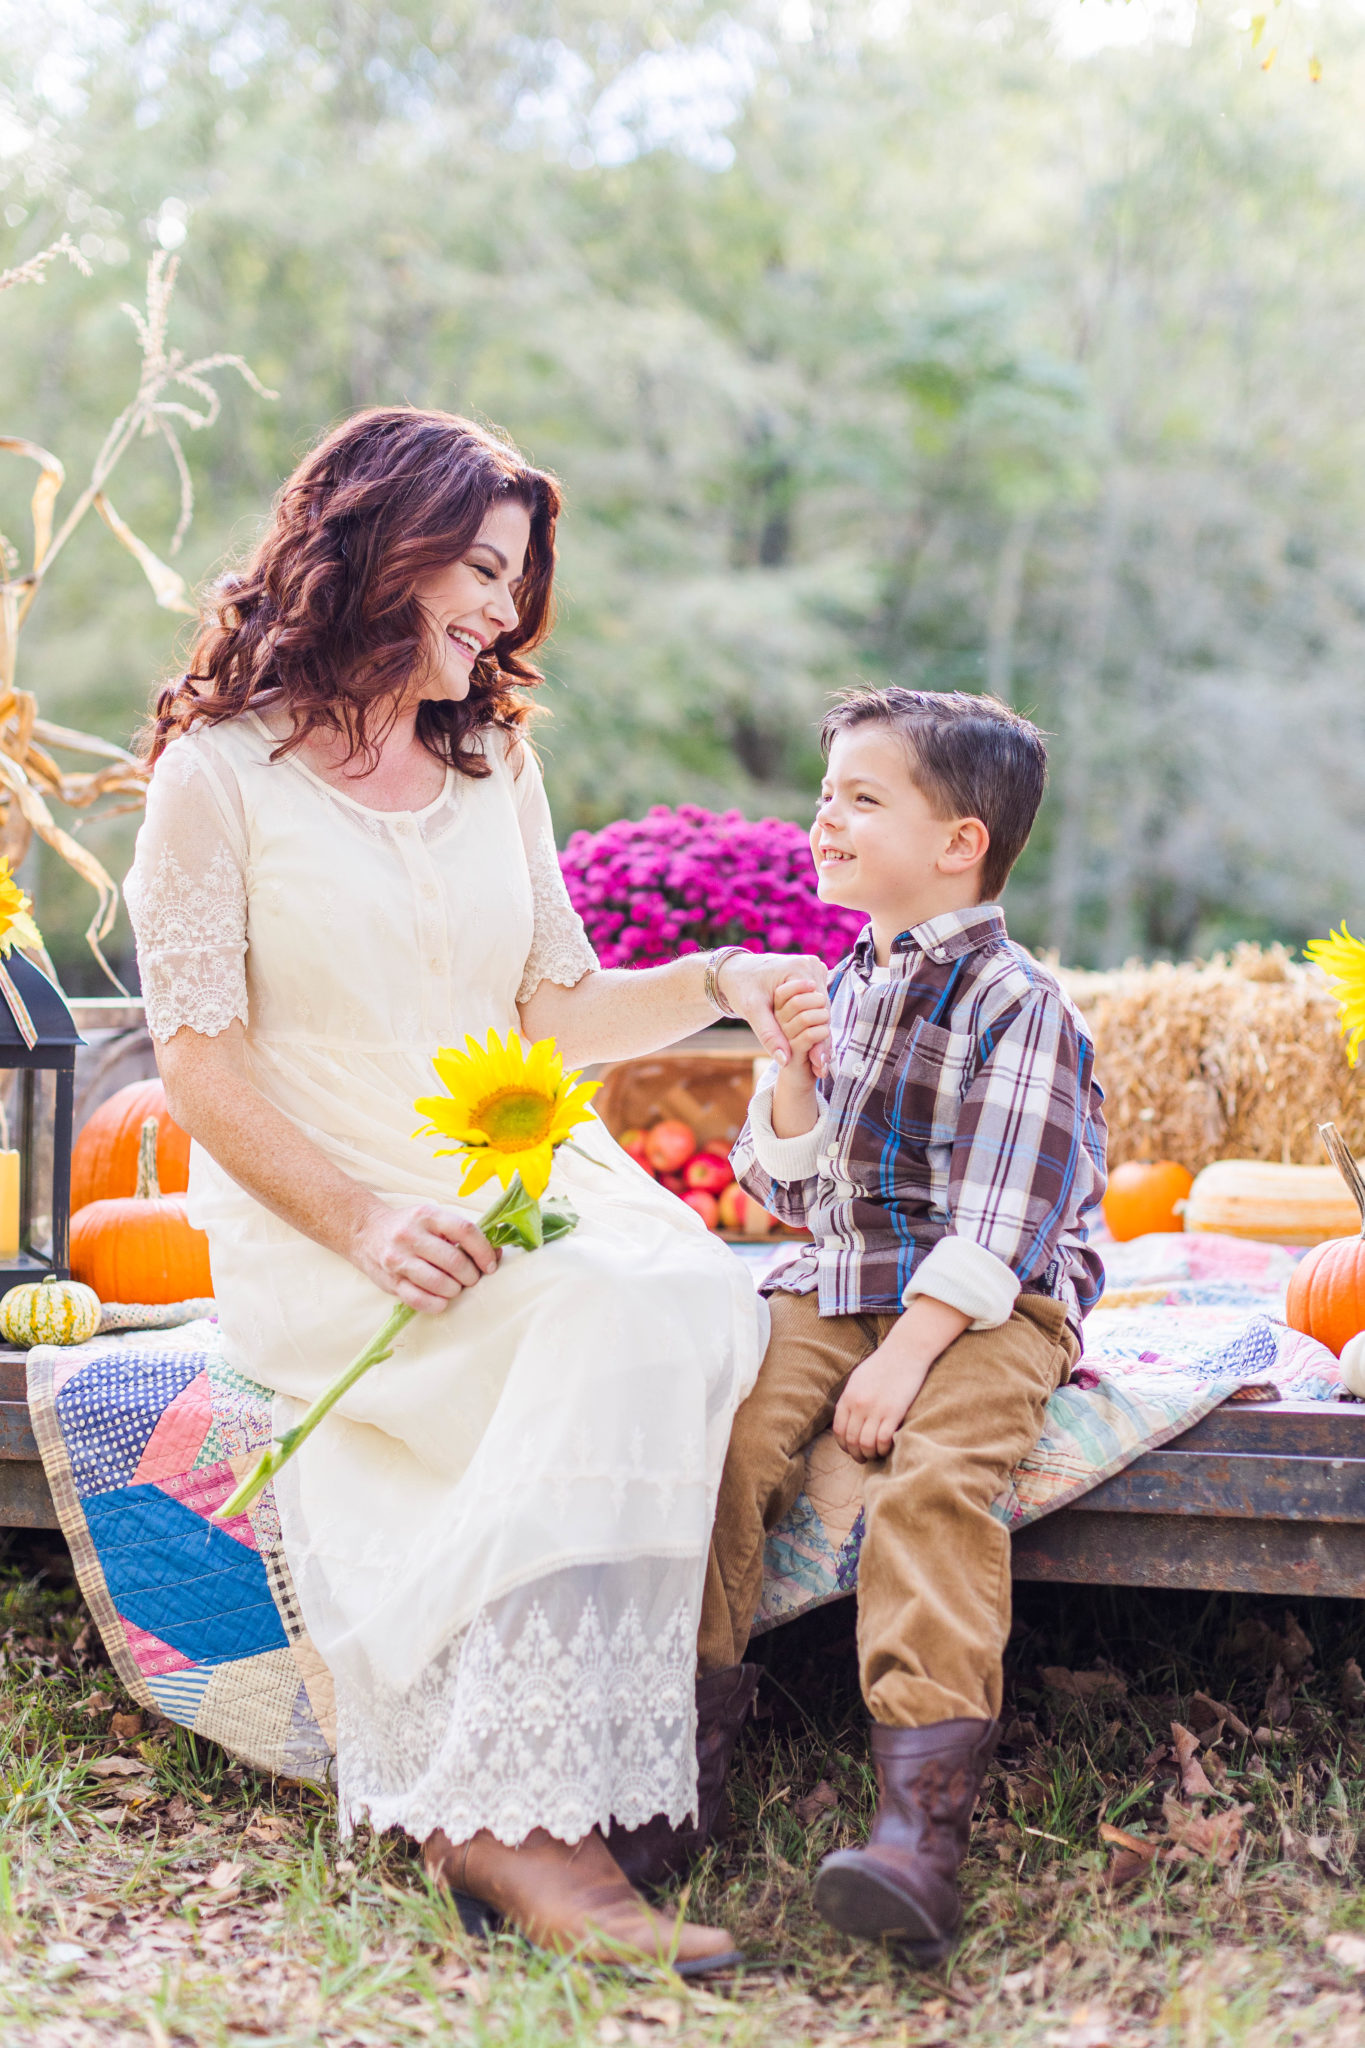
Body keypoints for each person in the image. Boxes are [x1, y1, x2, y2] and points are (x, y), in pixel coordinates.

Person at [124, 406, 828, 1973]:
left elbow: (553, 1013)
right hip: (326, 1196)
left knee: (681, 1291)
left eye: (517, 586)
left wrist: (724, 973)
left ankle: (579, 1757)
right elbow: (200, 1061)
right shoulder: (217, 778)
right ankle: (506, 1820)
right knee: (594, 1309)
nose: (502, 618)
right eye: (483, 574)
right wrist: (364, 1221)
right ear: (379, 541)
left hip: (506, 1159)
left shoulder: (489, 754)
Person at [614, 688, 1107, 1959]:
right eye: (825, 793)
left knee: (936, 1479)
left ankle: (917, 1835)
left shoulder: (1018, 1002)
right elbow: (780, 1192)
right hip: (844, 1277)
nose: (823, 817)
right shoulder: (842, 982)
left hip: (991, 1297)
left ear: (960, 841)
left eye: (861, 797)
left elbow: (1004, 1220)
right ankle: (675, 1779)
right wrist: (789, 1073)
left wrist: (905, 1352)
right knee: (720, 1438)